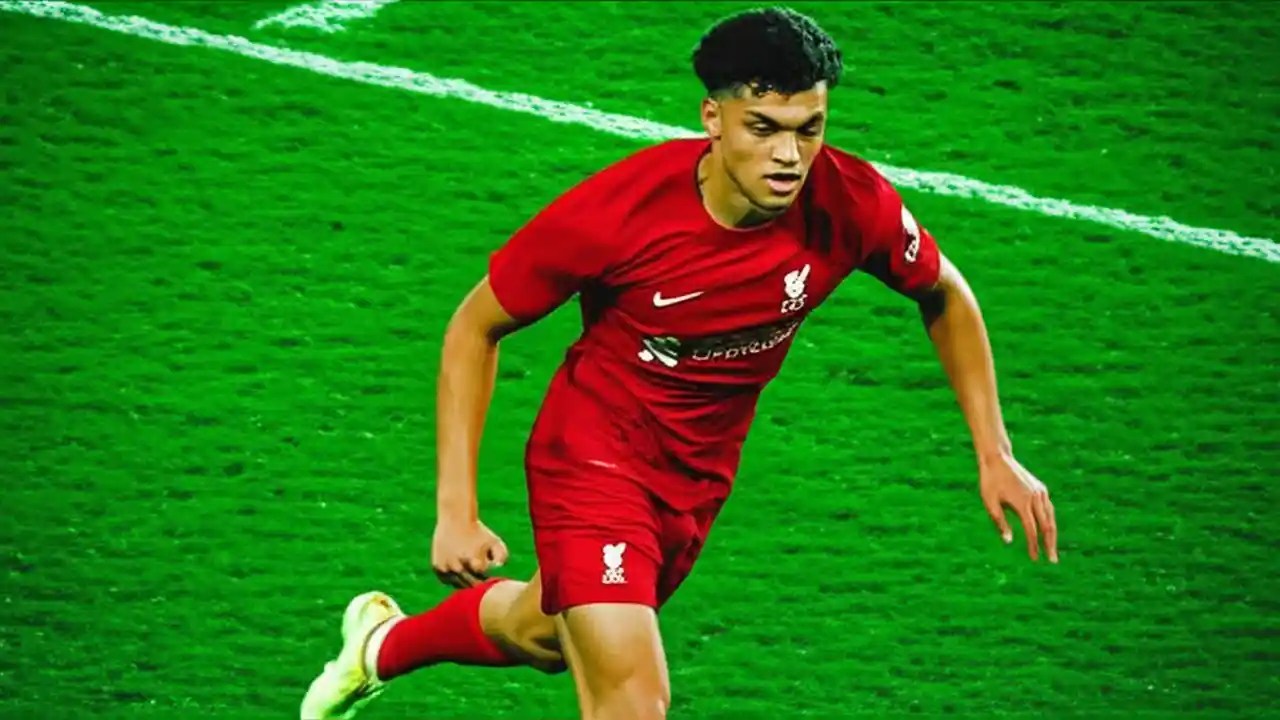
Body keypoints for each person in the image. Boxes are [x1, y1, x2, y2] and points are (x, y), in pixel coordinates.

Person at [300, 6, 1059, 720]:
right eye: (763, 129)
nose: (790, 156)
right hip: (593, 457)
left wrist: (995, 453)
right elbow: (475, 326)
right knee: (632, 695)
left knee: (546, 633)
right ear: (712, 118)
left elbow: (945, 292)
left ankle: (381, 645)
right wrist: (456, 512)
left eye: (810, 129)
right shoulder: (618, 215)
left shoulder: (851, 202)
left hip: (697, 474)